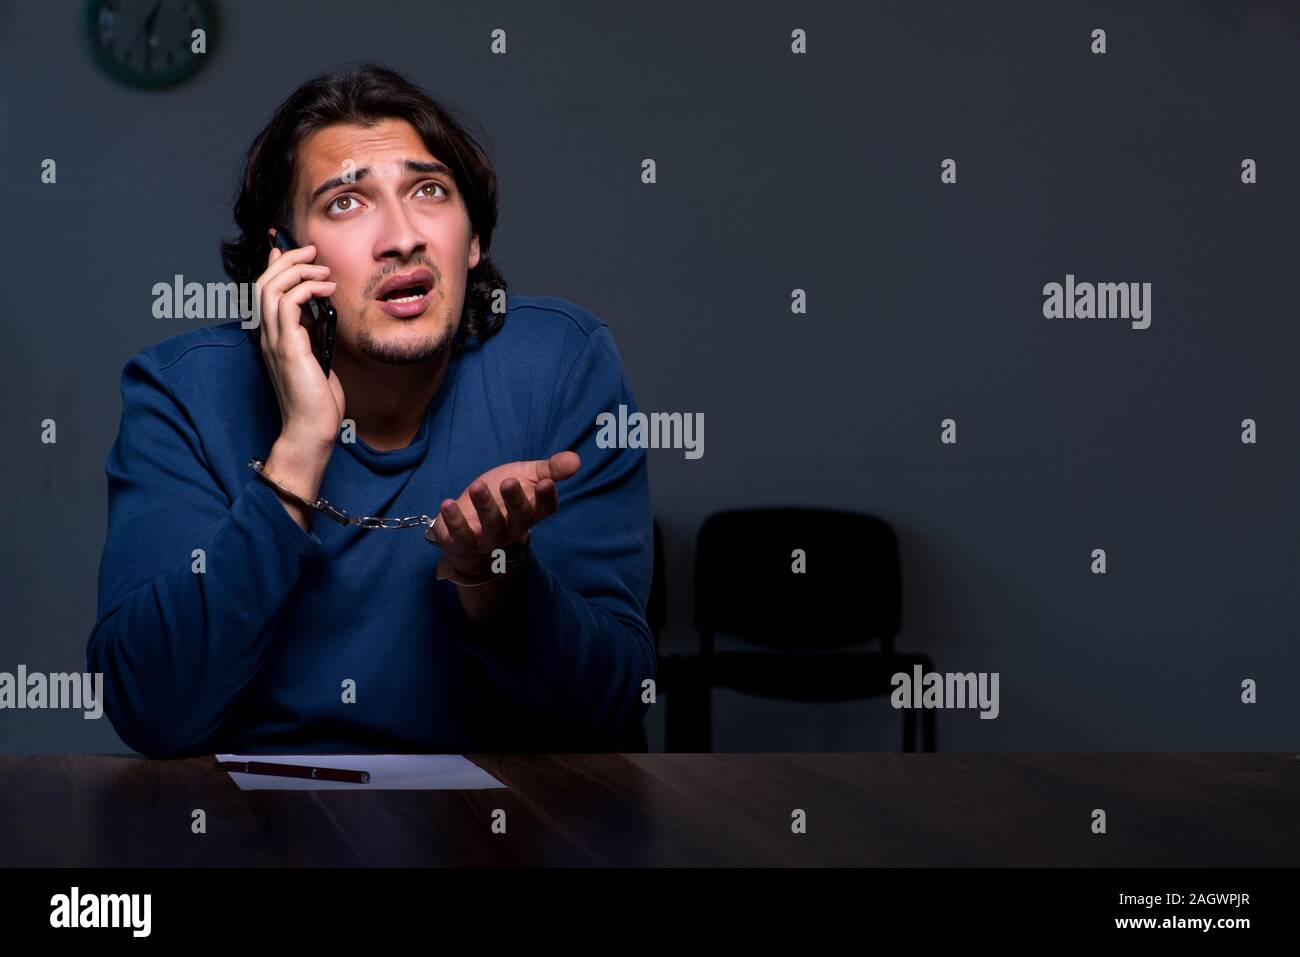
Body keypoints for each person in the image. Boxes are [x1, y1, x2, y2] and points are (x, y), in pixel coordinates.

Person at [86, 64, 655, 757]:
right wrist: (300, 448)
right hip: (254, 827)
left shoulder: (561, 364)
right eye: (347, 203)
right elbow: (151, 710)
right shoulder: (183, 391)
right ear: (286, 259)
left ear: (473, 240)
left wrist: (498, 581)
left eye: (429, 191)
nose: (402, 236)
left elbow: (612, 711)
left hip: (503, 830)